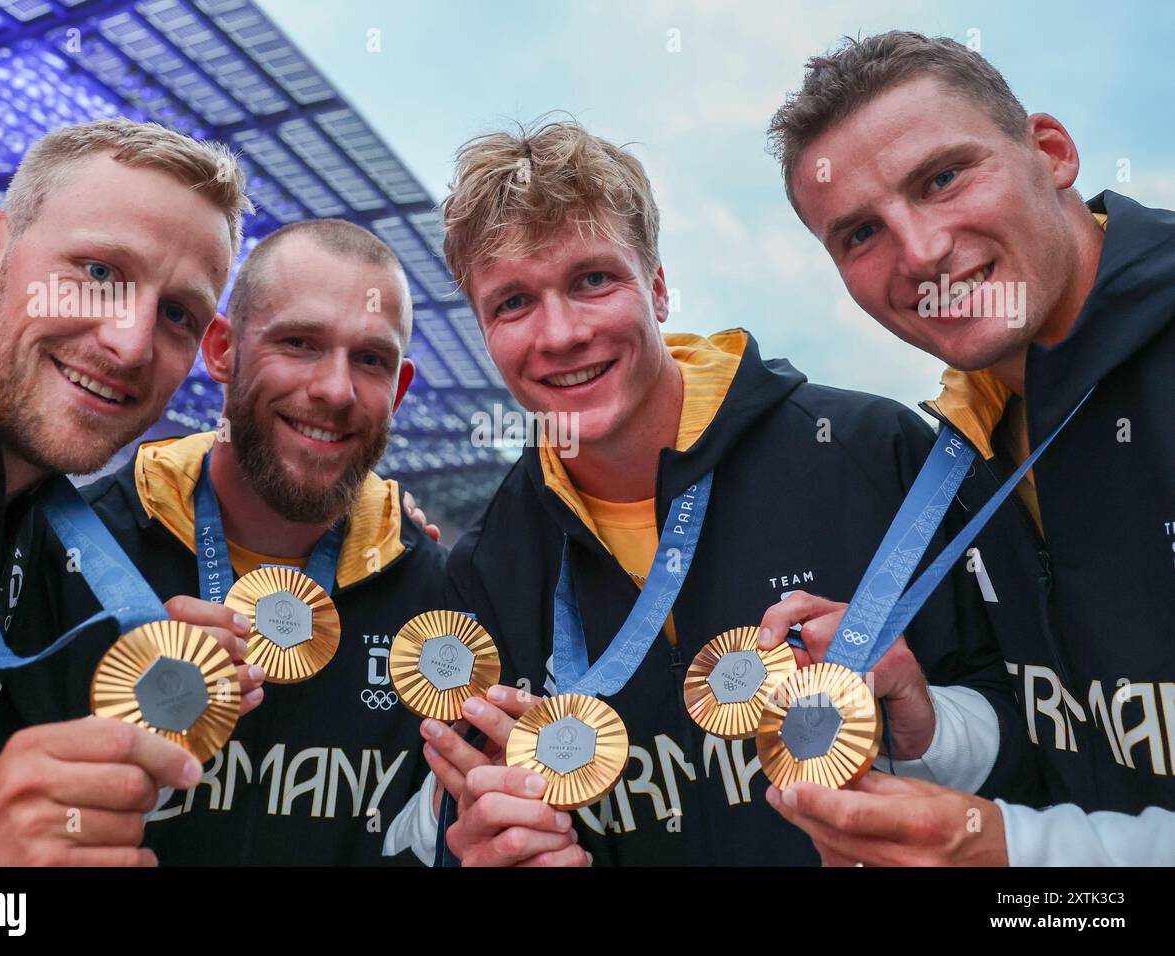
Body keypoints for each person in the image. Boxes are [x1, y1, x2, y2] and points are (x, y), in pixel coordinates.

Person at [418, 117, 1036, 866]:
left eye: (592, 281)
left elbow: (1033, 736)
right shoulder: (486, 566)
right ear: (483, 331)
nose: (559, 334)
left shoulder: (871, 452)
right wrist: (484, 847)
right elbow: (463, 818)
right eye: (512, 303)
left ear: (657, 287)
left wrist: (926, 722)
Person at [760, 31, 1174, 865]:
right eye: (860, 234)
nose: (921, 252)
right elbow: (1080, 749)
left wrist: (1011, 851)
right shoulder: (964, 437)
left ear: (1051, 152)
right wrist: (928, 725)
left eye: (943, 178)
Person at [0, 219, 449, 864]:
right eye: (300, 343)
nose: (336, 390)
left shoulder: (443, 601)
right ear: (223, 349)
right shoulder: (60, 553)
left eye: (370, 359)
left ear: (397, 388)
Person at [0, 118, 259, 865]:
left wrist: (126, 719)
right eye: (99, 272)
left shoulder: (51, 518)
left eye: (178, 312)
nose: (131, 343)